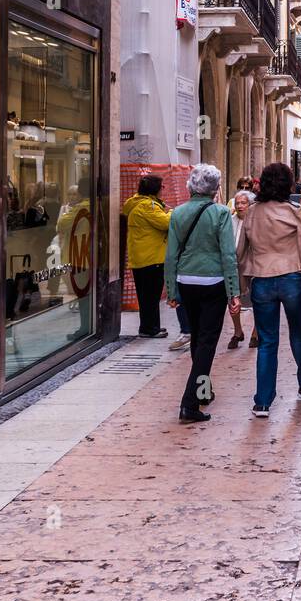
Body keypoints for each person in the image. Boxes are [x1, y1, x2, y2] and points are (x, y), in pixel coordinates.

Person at [238, 161, 301, 417]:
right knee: (299, 332)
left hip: (262, 278)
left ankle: (262, 401)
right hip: (292, 277)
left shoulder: (251, 212)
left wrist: (242, 285)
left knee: (267, 340)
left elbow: (241, 251)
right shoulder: (298, 212)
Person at [164, 165, 240, 425]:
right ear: (215, 189)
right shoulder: (221, 213)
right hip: (214, 283)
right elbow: (228, 255)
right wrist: (234, 291)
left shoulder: (178, 213)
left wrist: (172, 291)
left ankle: (202, 390)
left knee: (197, 339)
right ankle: (190, 402)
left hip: (186, 281)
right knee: (207, 342)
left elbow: (171, 255)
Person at [121, 175, 171, 339]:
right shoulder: (148, 206)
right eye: (162, 187)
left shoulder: (136, 203)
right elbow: (166, 223)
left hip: (141, 257)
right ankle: (150, 329)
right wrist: (172, 212)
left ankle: (150, 326)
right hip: (151, 258)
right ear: (154, 189)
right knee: (151, 296)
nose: (163, 190)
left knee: (147, 296)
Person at [229, 189, 258, 350]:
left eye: (243, 203)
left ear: (250, 204)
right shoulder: (229, 220)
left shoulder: (256, 222)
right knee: (232, 300)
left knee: (257, 301)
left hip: (252, 266)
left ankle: (255, 332)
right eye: (237, 203)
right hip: (233, 266)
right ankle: (238, 331)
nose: (239, 206)